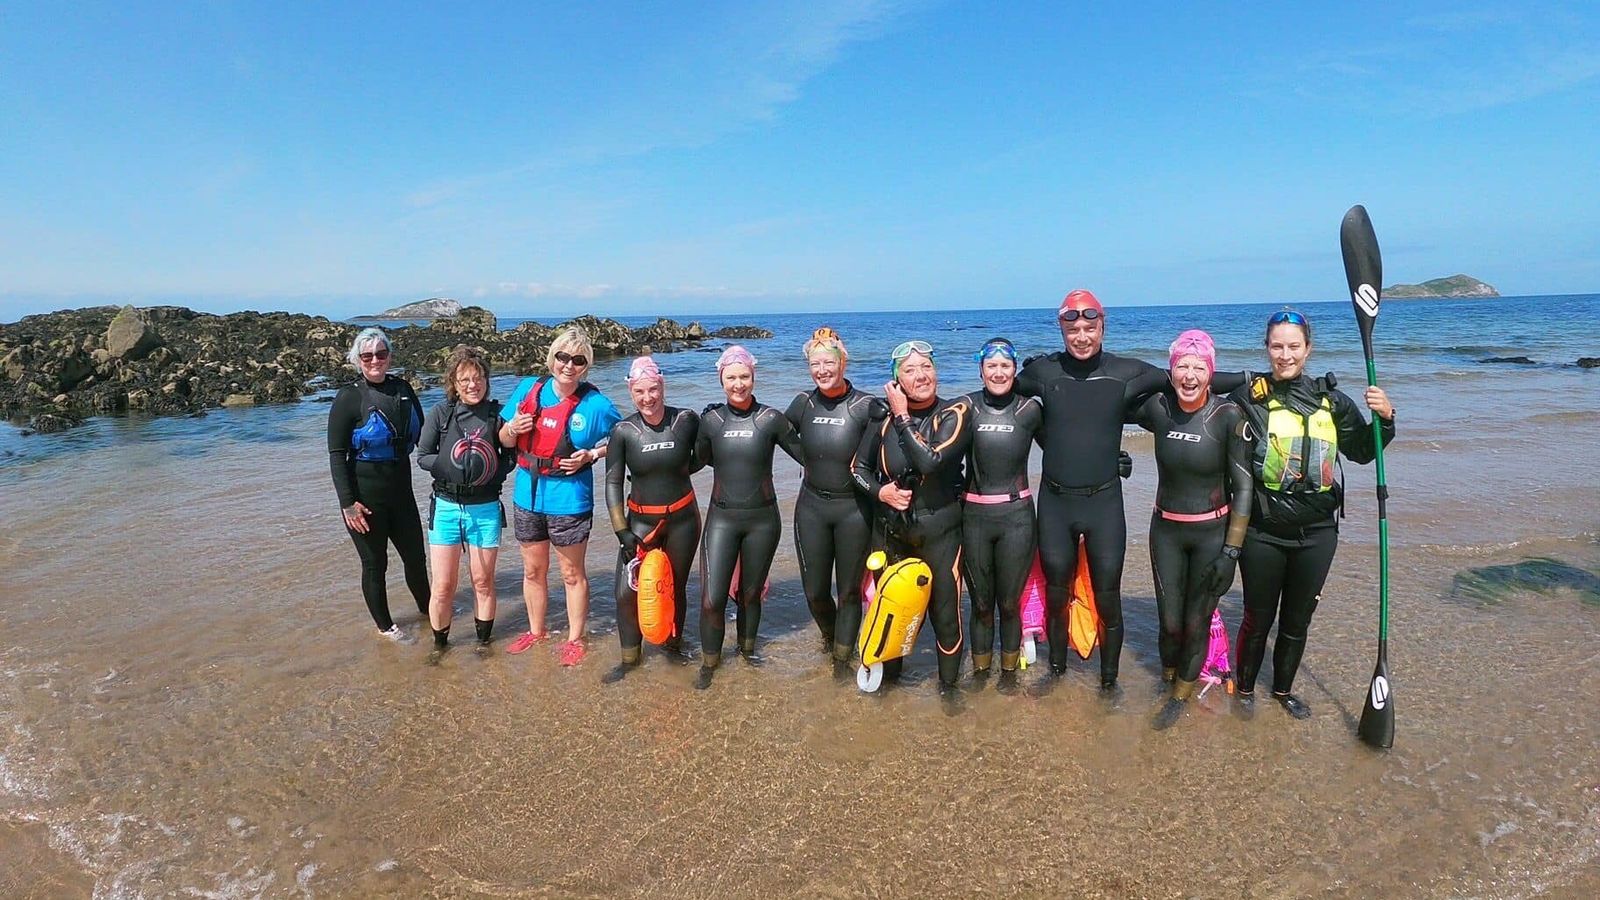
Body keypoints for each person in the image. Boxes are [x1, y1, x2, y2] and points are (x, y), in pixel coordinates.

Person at [1016, 289, 1241, 690]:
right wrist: (1048, 442)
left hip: (1104, 504)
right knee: (1056, 594)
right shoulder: (1040, 374)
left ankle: (1108, 680)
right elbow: (1012, 412)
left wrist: (1252, 382)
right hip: (1055, 504)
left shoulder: (1127, 372)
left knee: (1108, 597)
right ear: (1061, 329)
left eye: (1090, 327)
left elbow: (1187, 377)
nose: (1082, 336)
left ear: (1102, 326)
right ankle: (1057, 671)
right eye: (1074, 328)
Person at [1229, 309, 1393, 720]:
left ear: (1308, 349)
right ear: (1266, 348)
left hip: (1318, 532)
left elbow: (1363, 452)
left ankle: (1282, 692)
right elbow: (1213, 440)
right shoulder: (1249, 400)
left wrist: (1386, 418)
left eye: (1293, 346)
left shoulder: (1332, 402)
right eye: (1276, 346)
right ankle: (1245, 690)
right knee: (1257, 617)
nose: (1285, 355)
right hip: (1263, 531)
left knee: (1297, 621)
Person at [1128, 330, 1252, 728]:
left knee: (1196, 622)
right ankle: (1168, 679)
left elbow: (1245, 487)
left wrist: (1231, 552)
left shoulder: (1228, 416)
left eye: (1200, 367)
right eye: (1182, 365)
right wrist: (1108, 457)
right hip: (1164, 530)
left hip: (1211, 535)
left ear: (1212, 373)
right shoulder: (1159, 409)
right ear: (1170, 370)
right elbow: (1106, 409)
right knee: (1170, 624)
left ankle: (1179, 695)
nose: (1190, 375)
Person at [852, 341, 972, 701]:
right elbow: (857, 469)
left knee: (945, 616)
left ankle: (948, 692)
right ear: (896, 379)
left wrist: (903, 416)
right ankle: (891, 689)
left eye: (926, 367)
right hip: (890, 533)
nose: (920, 376)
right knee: (892, 613)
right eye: (909, 370)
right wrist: (880, 493)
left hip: (940, 531)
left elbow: (930, 462)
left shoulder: (956, 411)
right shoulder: (881, 419)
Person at [499, 327, 621, 665]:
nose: (568, 365)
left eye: (578, 360)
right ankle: (536, 631)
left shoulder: (596, 405)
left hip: (570, 500)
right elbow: (505, 439)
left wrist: (591, 455)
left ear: (586, 366)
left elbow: (627, 438)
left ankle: (574, 639)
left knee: (571, 574)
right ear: (552, 358)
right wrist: (512, 429)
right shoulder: (529, 389)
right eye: (562, 357)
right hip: (528, 495)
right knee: (533, 572)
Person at [693, 347, 804, 688]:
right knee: (712, 598)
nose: (738, 384)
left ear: (754, 377)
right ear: (721, 380)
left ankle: (747, 652)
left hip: (763, 521)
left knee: (750, 595)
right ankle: (710, 662)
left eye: (744, 377)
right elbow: (694, 462)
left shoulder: (770, 419)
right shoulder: (710, 421)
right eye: (731, 378)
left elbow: (810, 454)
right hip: (721, 519)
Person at [602, 357, 703, 682]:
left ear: (663, 386)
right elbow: (613, 482)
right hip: (640, 524)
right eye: (640, 391)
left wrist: (719, 416)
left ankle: (673, 647)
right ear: (631, 391)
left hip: (683, 521)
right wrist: (622, 530)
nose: (648, 398)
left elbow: (704, 456)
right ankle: (630, 658)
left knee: (675, 587)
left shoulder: (686, 420)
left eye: (654, 389)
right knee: (625, 593)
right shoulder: (623, 431)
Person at [784, 328, 879, 673]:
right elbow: (775, 433)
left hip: (854, 510)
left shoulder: (867, 406)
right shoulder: (803, 404)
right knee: (815, 593)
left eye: (829, 362)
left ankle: (842, 659)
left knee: (850, 591)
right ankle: (831, 637)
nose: (822, 370)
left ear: (843, 361)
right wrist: (806, 459)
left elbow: (889, 452)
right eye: (815, 363)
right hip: (811, 508)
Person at [326, 327, 428, 644]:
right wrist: (348, 503)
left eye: (381, 354)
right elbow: (336, 453)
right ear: (357, 359)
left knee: (415, 558)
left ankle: (429, 613)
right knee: (375, 564)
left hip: (402, 495)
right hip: (364, 501)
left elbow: (425, 434)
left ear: (390, 357)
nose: (375, 361)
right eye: (367, 355)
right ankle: (385, 627)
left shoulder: (404, 389)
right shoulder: (349, 397)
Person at [417, 345, 517, 657]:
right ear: (454, 384)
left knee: (483, 582)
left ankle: (483, 644)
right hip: (446, 507)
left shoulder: (495, 417)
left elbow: (510, 456)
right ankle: (439, 647)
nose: (472, 385)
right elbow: (422, 456)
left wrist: (491, 472)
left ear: (487, 380)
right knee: (443, 586)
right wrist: (449, 465)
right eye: (465, 380)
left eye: (478, 378)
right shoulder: (440, 414)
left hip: (485, 509)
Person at [959, 337, 1043, 693]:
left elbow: (1065, 449)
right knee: (980, 603)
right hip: (975, 516)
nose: (998, 372)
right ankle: (980, 671)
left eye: (1005, 366)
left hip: (1017, 517)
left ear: (1014, 369)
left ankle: (1008, 672)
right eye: (991, 366)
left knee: (1009, 603)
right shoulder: (966, 408)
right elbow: (939, 454)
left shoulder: (1030, 411)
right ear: (981, 371)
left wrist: (1104, 463)